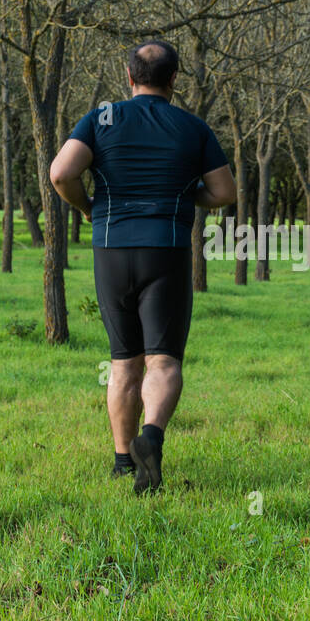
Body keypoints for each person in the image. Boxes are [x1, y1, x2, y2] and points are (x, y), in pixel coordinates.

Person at [49, 40, 237, 495]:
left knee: (123, 363)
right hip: (167, 249)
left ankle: (121, 463)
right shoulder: (192, 127)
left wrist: (87, 208)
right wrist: (186, 193)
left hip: (111, 251)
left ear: (128, 76)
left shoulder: (102, 118)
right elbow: (224, 192)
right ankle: (150, 436)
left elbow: (61, 174)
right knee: (164, 360)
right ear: (174, 79)